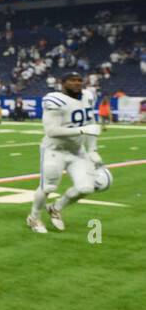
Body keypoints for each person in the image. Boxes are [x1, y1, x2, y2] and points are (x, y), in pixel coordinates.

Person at [25, 71, 99, 234]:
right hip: (54, 150)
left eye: (79, 80)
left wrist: (93, 149)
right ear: (63, 83)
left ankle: (56, 208)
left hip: (77, 151)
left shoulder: (88, 96)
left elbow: (91, 123)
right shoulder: (54, 100)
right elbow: (51, 131)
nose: (77, 83)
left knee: (86, 188)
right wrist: (82, 130)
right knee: (48, 187)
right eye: (72, 80)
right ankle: (34, 217)